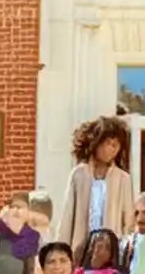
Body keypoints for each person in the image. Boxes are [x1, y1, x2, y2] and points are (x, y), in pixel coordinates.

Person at [56, 107, 136, 260]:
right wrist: (61, 251)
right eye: (107, 144)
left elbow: (128, 222)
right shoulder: (79, 174)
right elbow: (67, 216)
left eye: (115, 145)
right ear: (96, 144)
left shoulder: (123, 179)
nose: (111, 149)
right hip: (82, 248)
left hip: (111, 251)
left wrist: (125, 252)